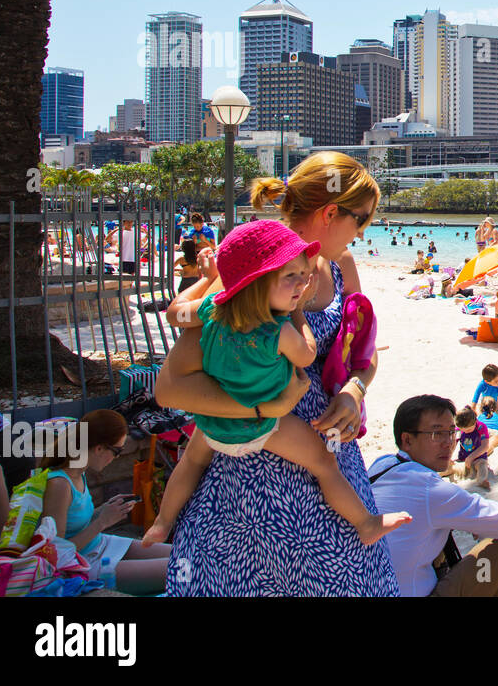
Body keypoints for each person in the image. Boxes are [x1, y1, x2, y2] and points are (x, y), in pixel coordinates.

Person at [155, 151, 399, 596]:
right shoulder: (255, 262)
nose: (363, 231)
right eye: (360, 219)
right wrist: (267, 406)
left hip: (331, 474)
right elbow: (170, 388)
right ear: (330, 212)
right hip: (246, 477)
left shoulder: (342, 265)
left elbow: (361, 350)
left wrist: (354, 390)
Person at [146, 220, 411, 547]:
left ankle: (162, 522)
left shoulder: (213, 311)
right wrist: (298, 314)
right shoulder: (276, 329)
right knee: (323, 464)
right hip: (266, 426)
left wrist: (210, 279)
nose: (302, 284)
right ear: (256, 282)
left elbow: (174, 314)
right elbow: (306, 355)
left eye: (303, 275)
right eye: (291, 277)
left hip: (214, 426)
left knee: (191, 461)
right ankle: (366, 523)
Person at [369, 395, 498, 597]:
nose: (448, 443)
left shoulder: (382, 465)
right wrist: (482, 525)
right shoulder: (427, 488)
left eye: (451, 432)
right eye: (436, 434)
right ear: (407, 440)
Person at [39, 411, 173, 594]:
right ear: (99, 448)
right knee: (180, 568)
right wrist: (103, 521)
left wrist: (104, 510)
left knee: (184, 554)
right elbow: (56, 555)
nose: (117, 457)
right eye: (117, 451)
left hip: (99, 545)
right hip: (82, 563)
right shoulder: (60, 485)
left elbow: (75, 521)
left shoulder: (78, 474)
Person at [453, 405, 492, 488]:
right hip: (463, 459)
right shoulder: (459, 429)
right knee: (450, 467)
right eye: (464, 430)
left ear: (475, 422)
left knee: (482, 465)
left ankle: (482, 480)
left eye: (469, 429)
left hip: (479, 458)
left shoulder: (481, 427)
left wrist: (471, 457)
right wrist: (449, 456)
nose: (466, 432)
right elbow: (453, 443)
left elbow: (485, 446)